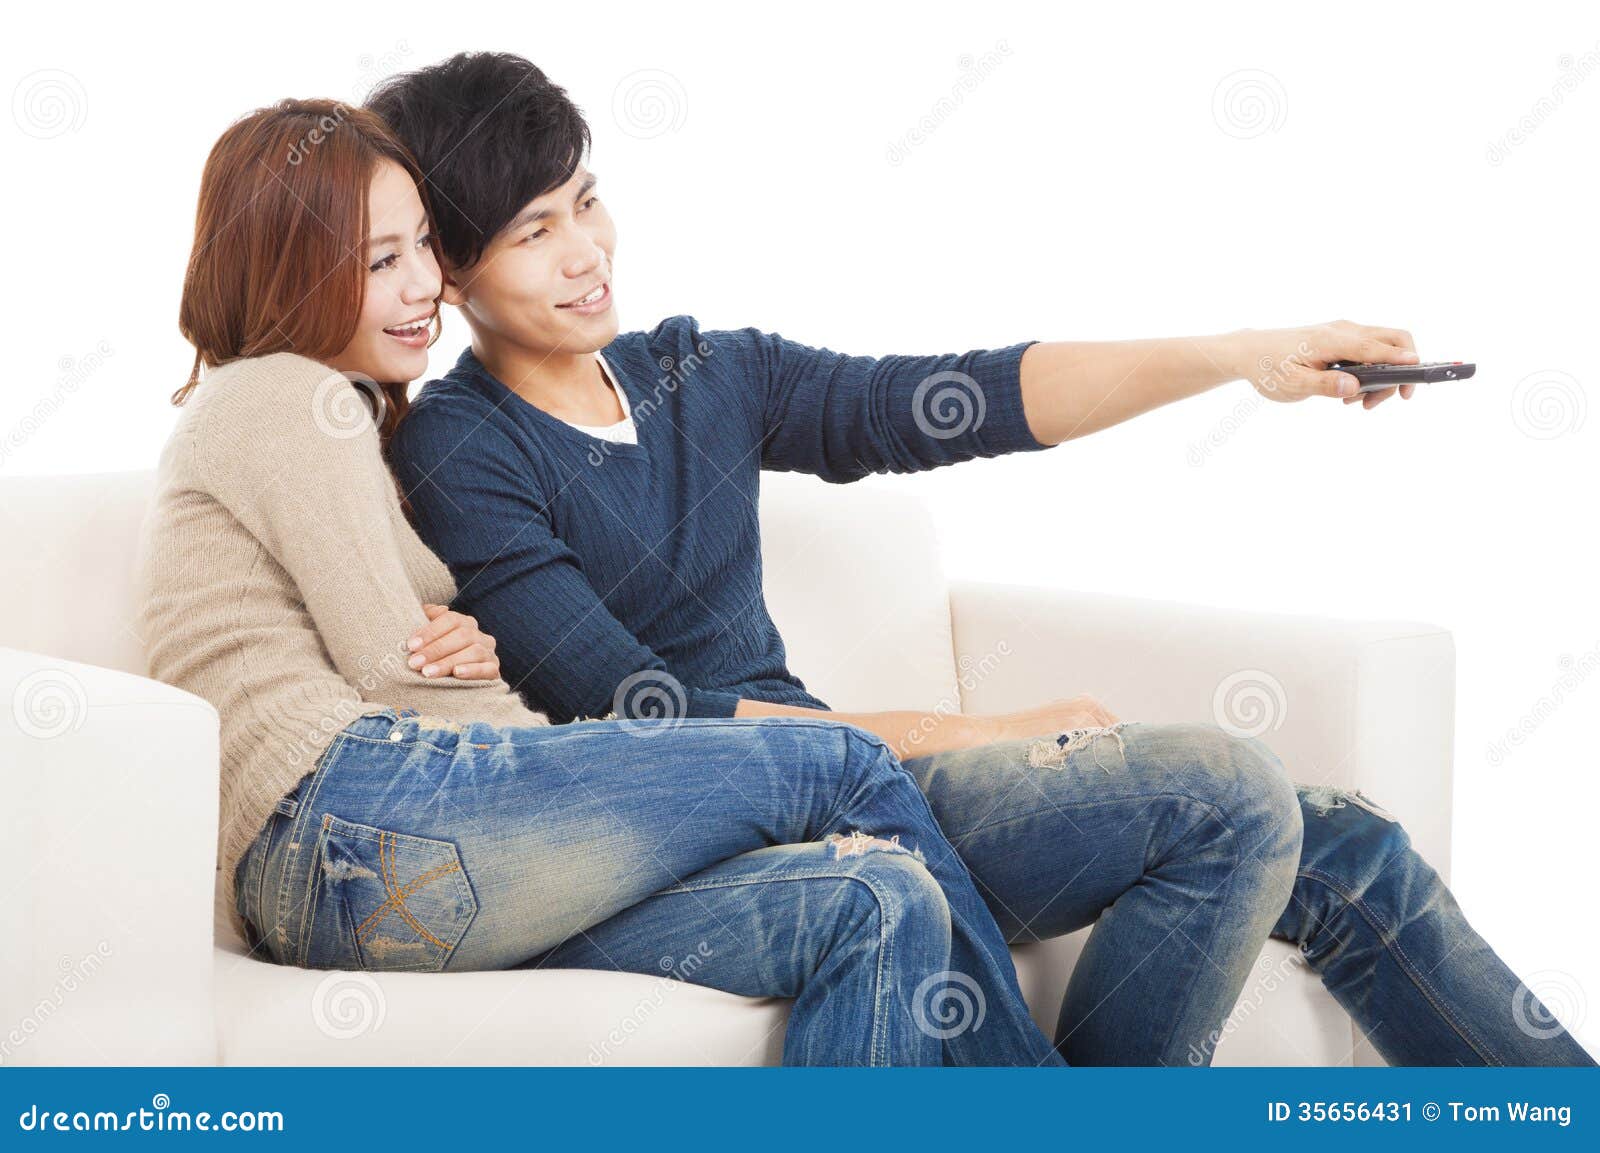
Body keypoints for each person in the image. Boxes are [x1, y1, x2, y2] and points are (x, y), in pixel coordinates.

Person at [370, 52, 1595, 1066]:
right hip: (748, 840)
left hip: (869, 784)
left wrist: (1235, 354)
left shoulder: (700, 369)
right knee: (1218, 785)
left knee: (1336, 838)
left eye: (587, 201)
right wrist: (975, 730)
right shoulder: (463, 447)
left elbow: (946, 399)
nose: (585, 253)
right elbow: (640, 712)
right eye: (535, 232)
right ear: (455, 268)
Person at [132, 96, 1167, 1068]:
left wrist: (477, 661)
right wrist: (576, 769)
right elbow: (395, 676)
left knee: (872, 893)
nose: (424, 289)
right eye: (380, 261)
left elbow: (410, 655)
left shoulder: (346, 421)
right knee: (834, 760)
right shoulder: (283, 394)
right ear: (289, 273)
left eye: (424, 253)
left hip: (394, 863)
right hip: (352, 822)